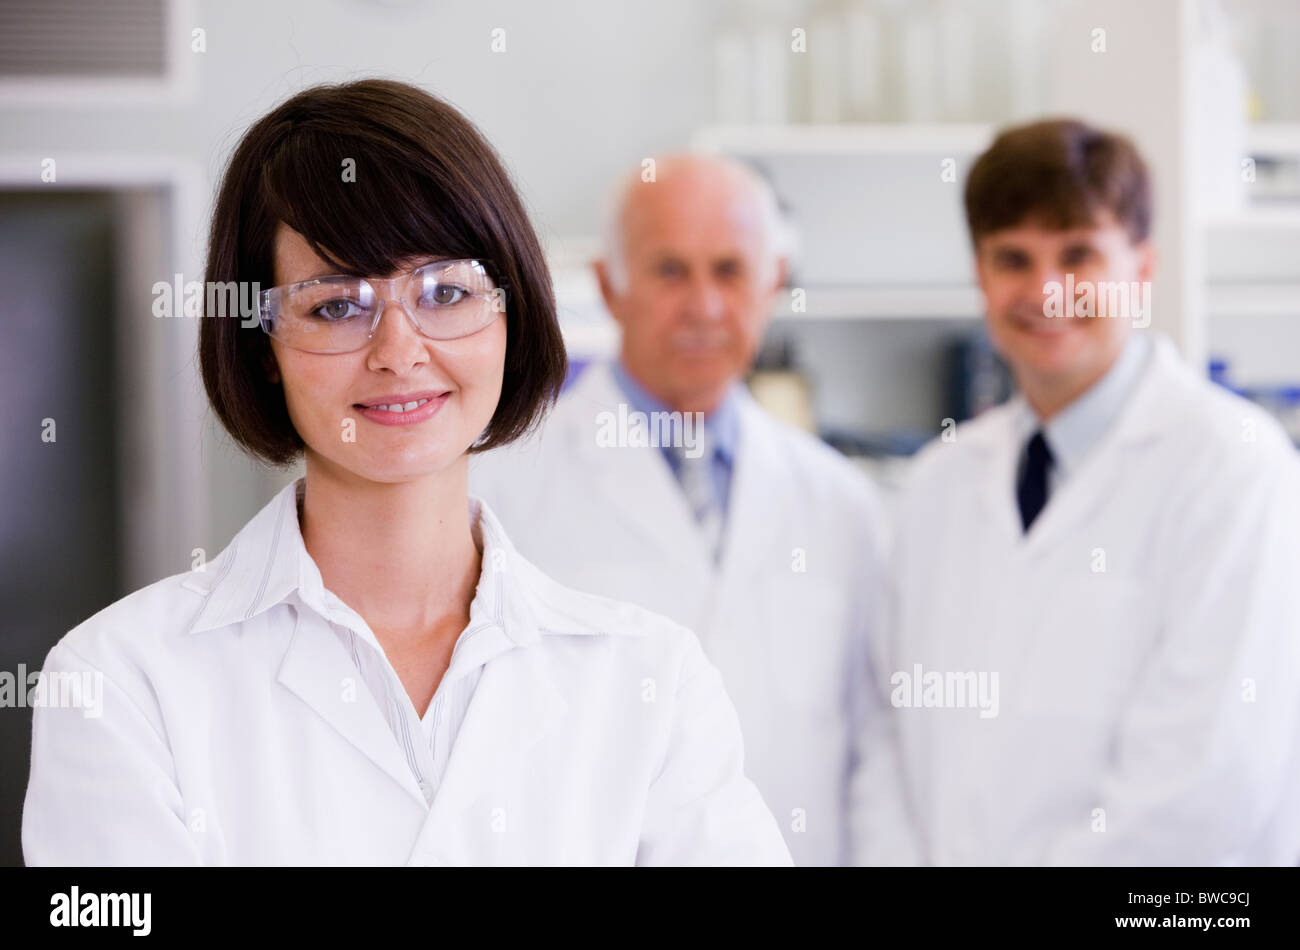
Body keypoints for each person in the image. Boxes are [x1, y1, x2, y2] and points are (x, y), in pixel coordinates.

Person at [22, 79, 791, 866]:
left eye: (446, 292)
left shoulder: (652, 679)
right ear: (263, 345)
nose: (399, 351)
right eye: (335, 306)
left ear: (509, 315)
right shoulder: (122, 682)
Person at [855, 118, 1300, 865]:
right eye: (1013, 259)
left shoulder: (1235, 468)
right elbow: (885, 738)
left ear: (1143, 269)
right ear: (980, 276)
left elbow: (1206, 783)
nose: (1046, 292)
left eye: (1078, 255)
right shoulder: (937, 484)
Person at [470, 154, 888, 866]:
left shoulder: (841, 503)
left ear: (772, 283)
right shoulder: (499, 489)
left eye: (730, 271)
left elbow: (874, 749)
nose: (704, 306)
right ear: (610, 287)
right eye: (670, 271)